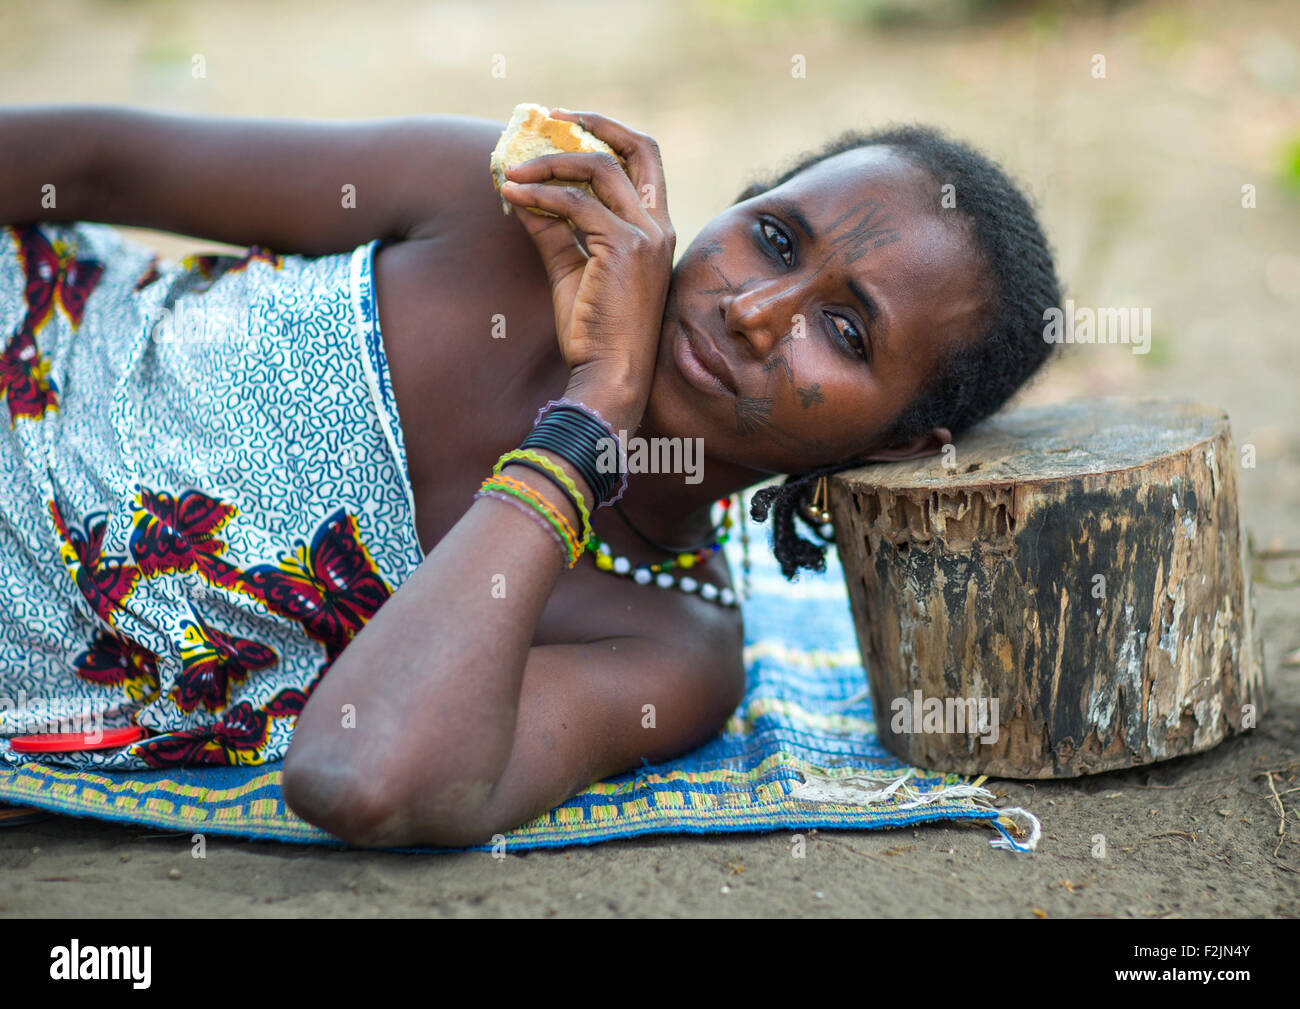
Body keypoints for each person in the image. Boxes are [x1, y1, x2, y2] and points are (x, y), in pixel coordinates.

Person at [0, 105, 1060, 846]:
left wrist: (590, 415)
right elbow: (95, 160)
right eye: (773, 236)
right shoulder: (498, 214)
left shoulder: (671, 643)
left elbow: (362, 780)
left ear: (893, 444)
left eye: (842, 328)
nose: (752, 311)